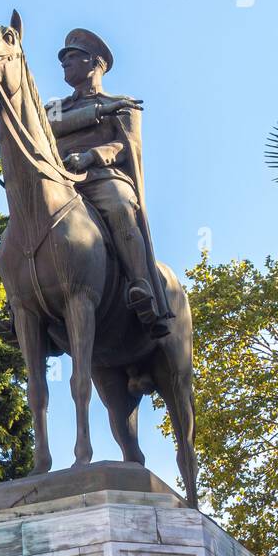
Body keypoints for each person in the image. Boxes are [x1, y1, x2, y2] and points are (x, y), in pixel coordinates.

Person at [45, 28, 171, 338]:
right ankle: (17, 308)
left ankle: (141, 286)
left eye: (72, 57)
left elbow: (128, 146)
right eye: (63, 59)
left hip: (102, 176)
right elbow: (47, 127)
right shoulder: (56, 107)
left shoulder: (124, 103)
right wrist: (98, 112)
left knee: (118, 206)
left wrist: (91, 157)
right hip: (61, 180)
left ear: (94, 63)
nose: (65, 63)